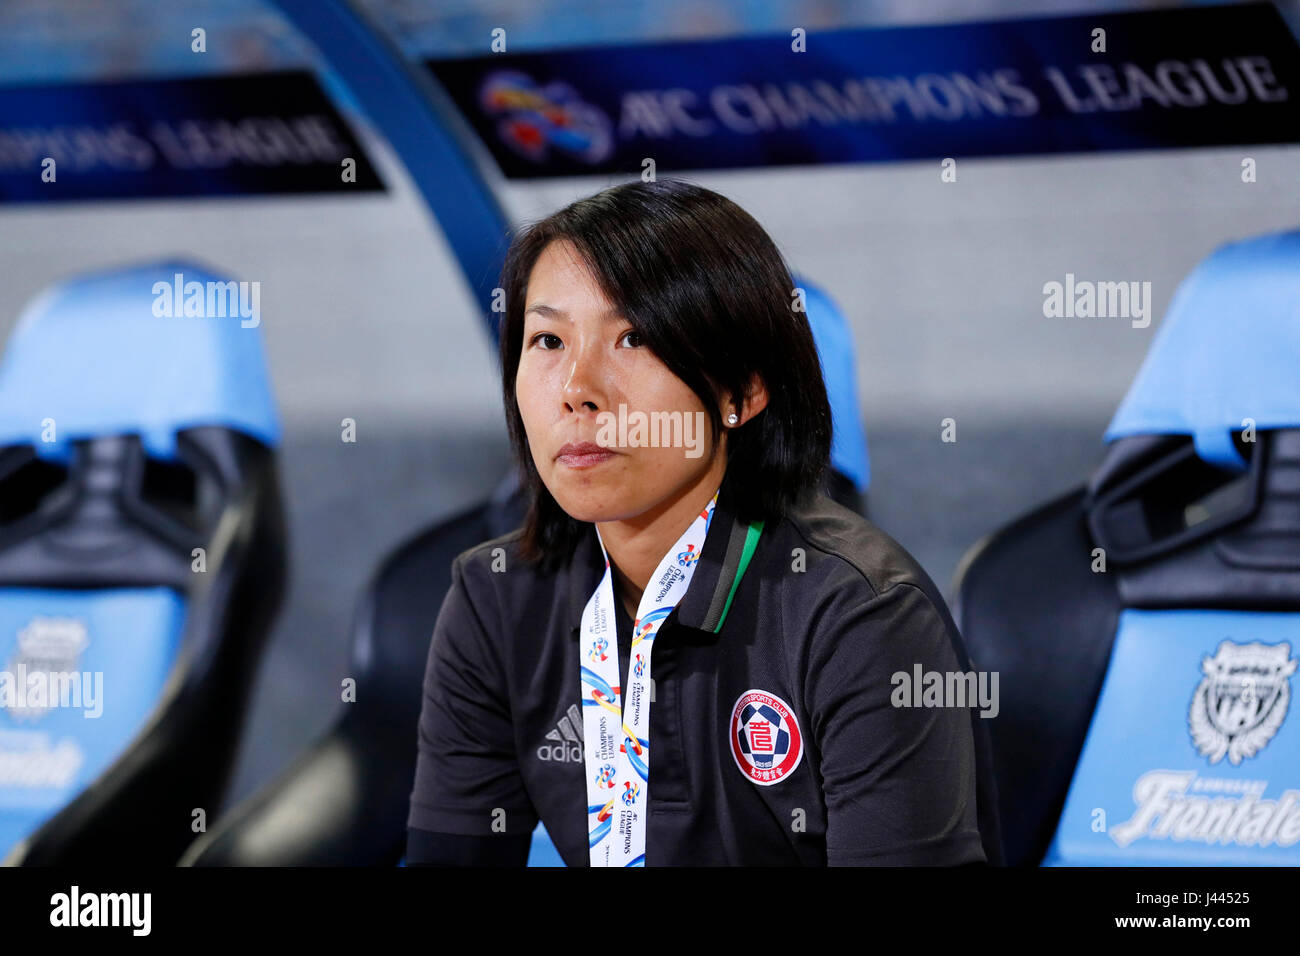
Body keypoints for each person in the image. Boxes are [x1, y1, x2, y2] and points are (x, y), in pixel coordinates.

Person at [405, 179, 1002, 866]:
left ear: (741, 392)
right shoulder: (495, 598)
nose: (575, 389)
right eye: (547, 340)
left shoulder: (861, 615)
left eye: (632, 337)